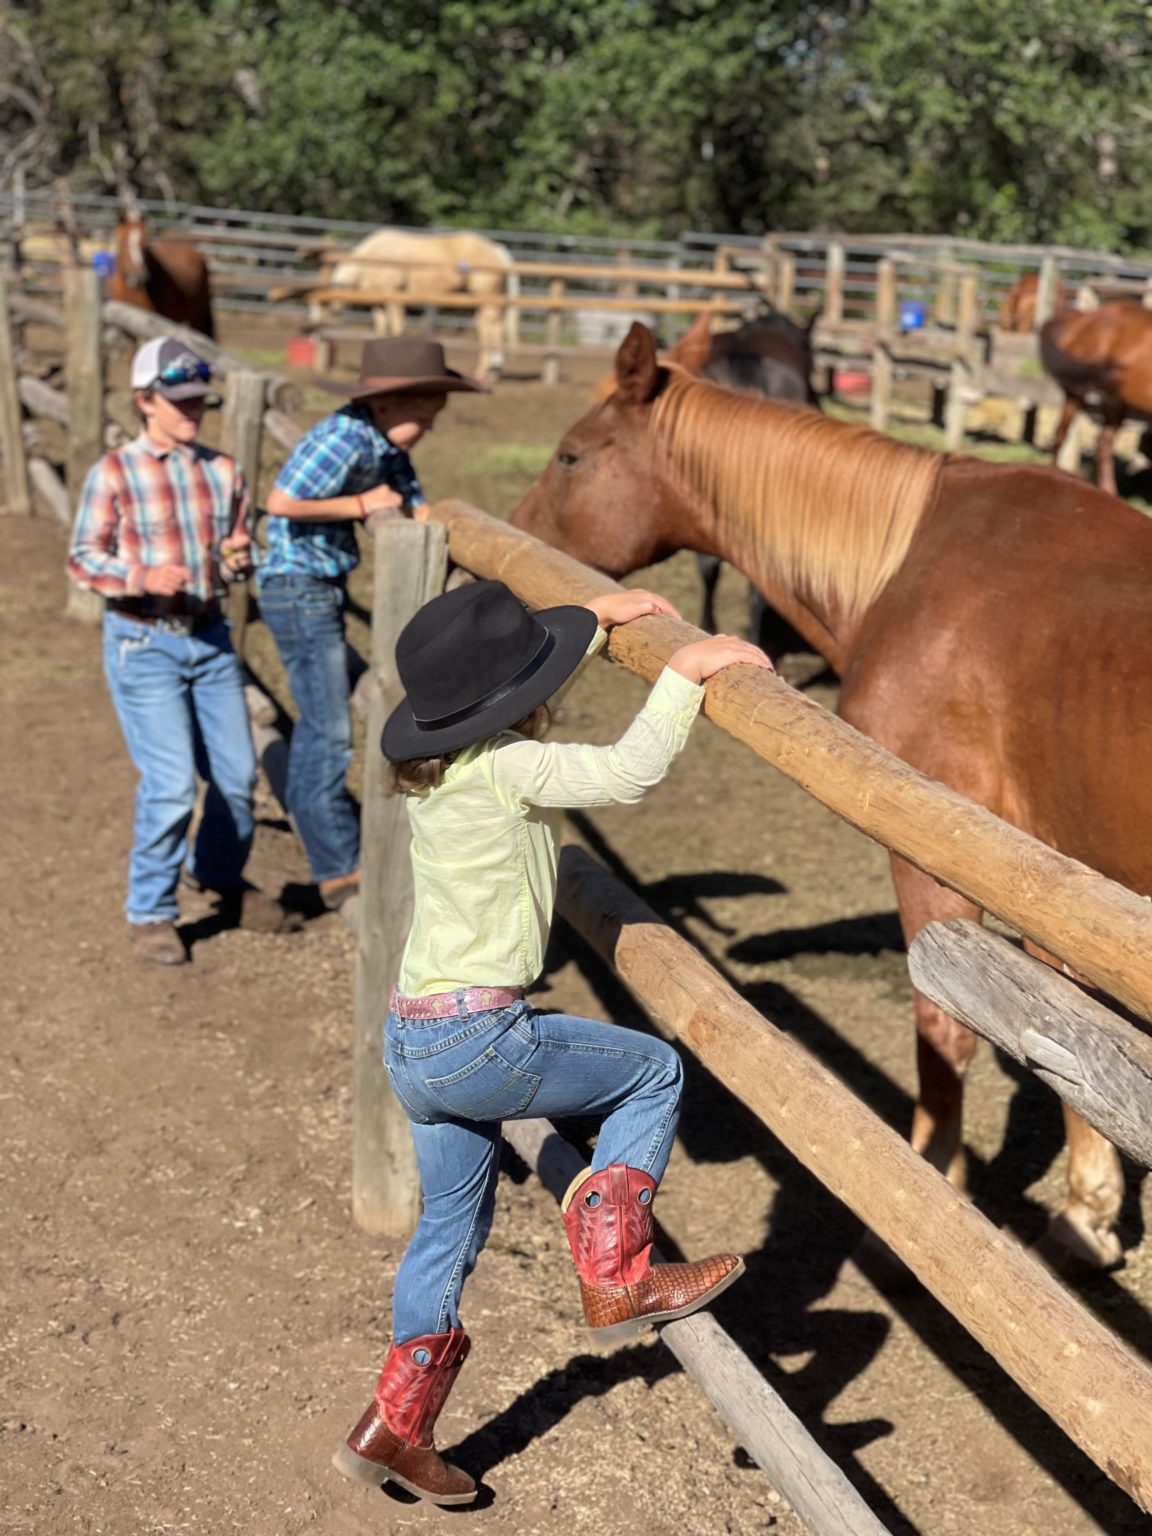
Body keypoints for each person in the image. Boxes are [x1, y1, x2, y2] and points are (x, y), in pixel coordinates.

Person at [333, 577, 774, 1506]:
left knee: (450, 1225)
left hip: (413, 1043)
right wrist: (685, 673)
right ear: (509, 702)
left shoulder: (433, 774)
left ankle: (394, 1424)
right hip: (484, 1039)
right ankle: (617, 1274)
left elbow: (501, 687)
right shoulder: (509, 767)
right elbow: (625, 773)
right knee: (652, 1071)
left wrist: (589, 617)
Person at [68, 336, 291, 965]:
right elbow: (83, 557)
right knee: (169, 784)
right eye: (179, 401)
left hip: (211, 640)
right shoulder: (114, 472)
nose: (193, 411)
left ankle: (218, 873)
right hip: (143, 643)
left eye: (199, 400)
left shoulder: (223, 471)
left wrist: (238, 557)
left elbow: (238, 549)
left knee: (237, 776)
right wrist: (139, 576)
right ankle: (150, 912)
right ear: (145, 401)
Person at [260, 336, 483, 911]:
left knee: (330, 713)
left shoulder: (384, 443)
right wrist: (360, 507)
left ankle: (334, 847)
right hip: (297, 585)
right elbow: (281, 501)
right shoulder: (341, 438)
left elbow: (414, 502)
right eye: (423, 417)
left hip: (318, 587)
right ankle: (336, 866)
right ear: (387, 405)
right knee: (327, 726)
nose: (430, 428)